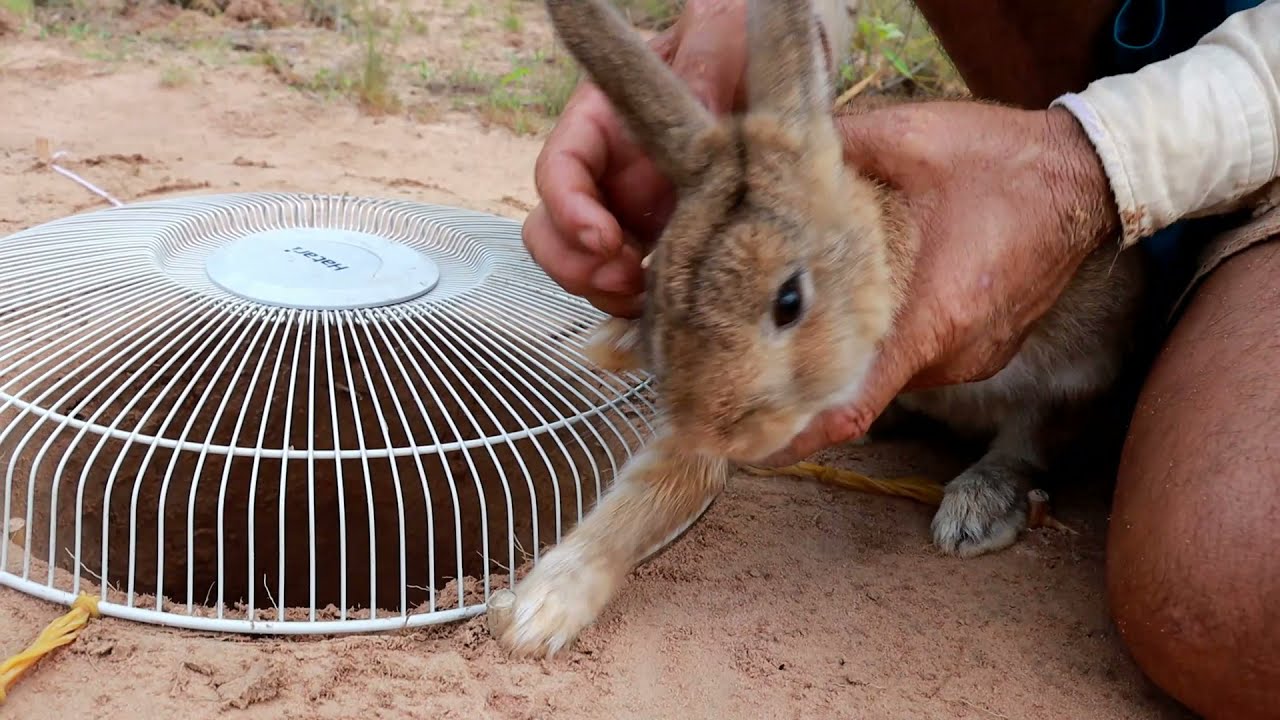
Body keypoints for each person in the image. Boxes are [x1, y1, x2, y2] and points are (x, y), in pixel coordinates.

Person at [521, 0, 1280, 717]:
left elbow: (705, 443)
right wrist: (729, 23)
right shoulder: (787, 231)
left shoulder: (833, 260)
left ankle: (1023, 457)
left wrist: (1093, 160)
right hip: (1129, 39)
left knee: (1225, 586)